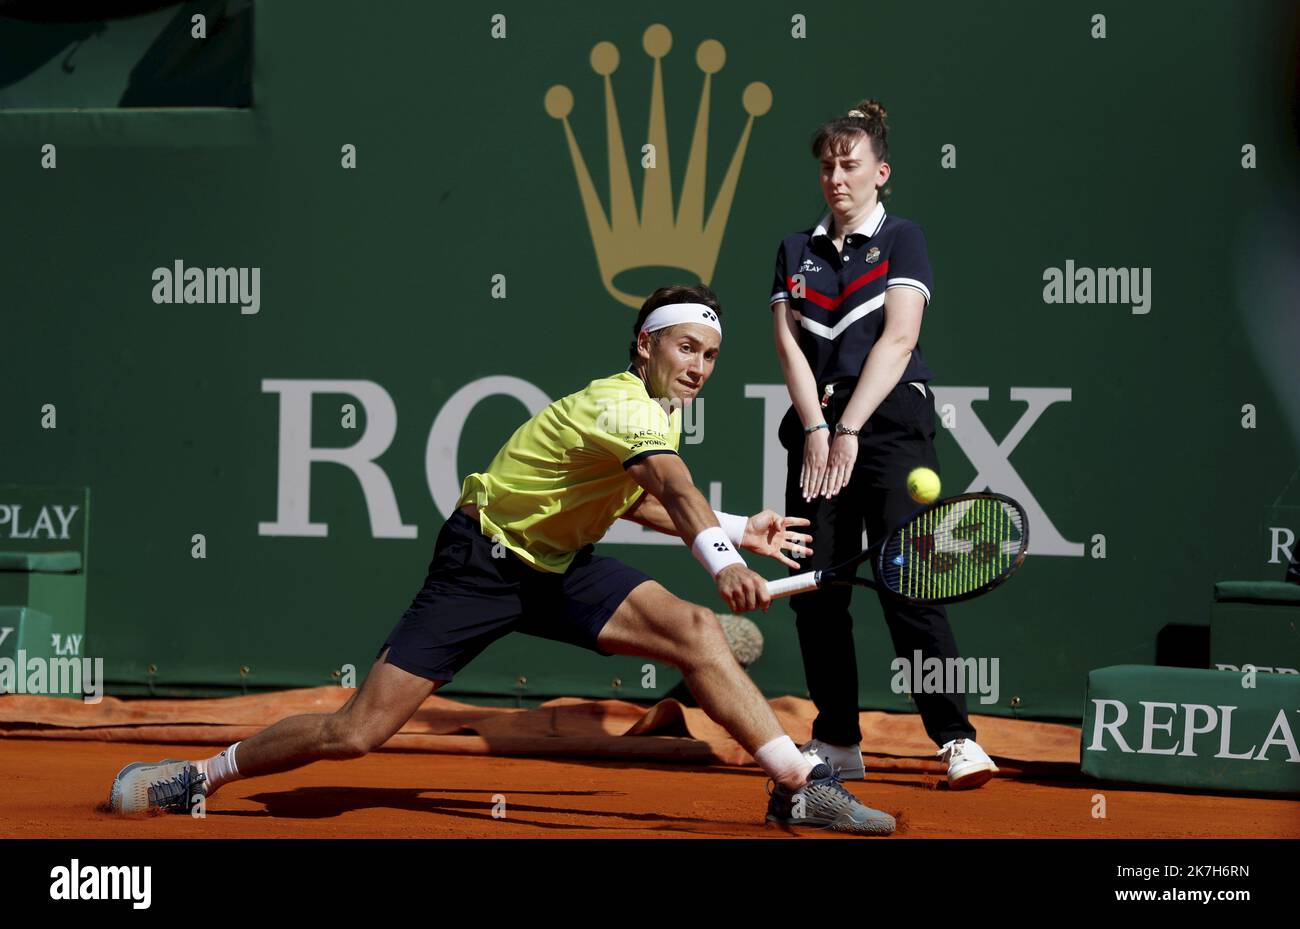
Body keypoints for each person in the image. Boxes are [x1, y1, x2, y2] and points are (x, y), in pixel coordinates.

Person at [108, 284, 899, 834]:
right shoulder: (619, 405)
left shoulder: (663, 408)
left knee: (695, 631)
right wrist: (722, 555)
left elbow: (634, 499)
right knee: (356, 731)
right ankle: (198, 776)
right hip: (481, 564)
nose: (698, 366)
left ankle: (798, 787)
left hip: (560, 564)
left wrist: (734, 527)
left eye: (711, 355)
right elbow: (673, 486)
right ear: (646, 344)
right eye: (685, 347)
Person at [769, 101, 998, 789]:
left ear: (880, 172)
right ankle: (836, 737)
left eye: (851, 164)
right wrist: (816, 430)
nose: (837, 177)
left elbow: (898, 338)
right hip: (818, 429)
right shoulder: (793, 249)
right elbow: (788, 344)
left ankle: (957, 738)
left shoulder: (903, 238)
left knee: (910, 578)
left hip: (890, 421)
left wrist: (849, 429)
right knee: (817, 587)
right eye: (828, 166)